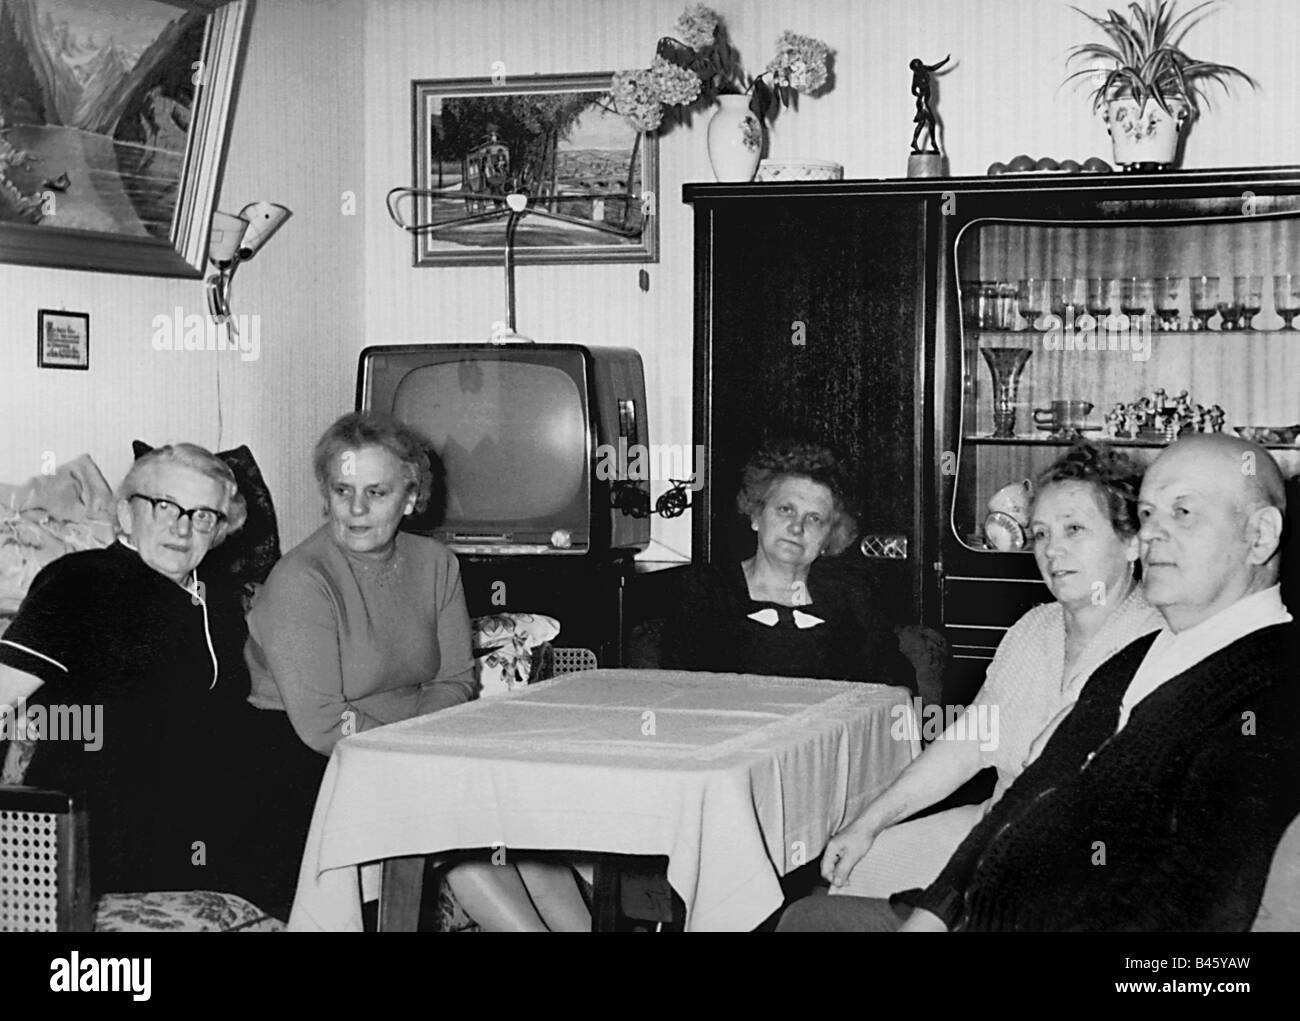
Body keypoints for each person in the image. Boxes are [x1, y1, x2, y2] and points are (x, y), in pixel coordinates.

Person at [779, 433, 1299, 931]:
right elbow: (995, 765)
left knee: (822, 908)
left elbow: (1198, 903)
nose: (1051, 551)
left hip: (1051, 885)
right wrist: (906, 870)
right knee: (824, 898)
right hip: (1009, 852)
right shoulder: (1084, 642)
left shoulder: (1223, 667)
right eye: (1042, 533)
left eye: (1182, 512)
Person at [246, 411, 590, 930]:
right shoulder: (302, 580)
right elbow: (321, 724)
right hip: (308, 764)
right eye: (343, 491)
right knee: (459, 837)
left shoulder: (435, 564)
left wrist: (422, 751)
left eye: (376, 493)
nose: (356, 510)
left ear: (409, 498)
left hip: (412, 747)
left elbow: (455, 680)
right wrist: (417, 764)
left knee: (517, 828)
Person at [820, 443, 1162, 898]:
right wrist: (866, 824)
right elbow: (966, 746)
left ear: (1133, 541)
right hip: (996, 828)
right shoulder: (1033, 629)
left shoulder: (1161, 640)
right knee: (853, 875)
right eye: (1040, 534)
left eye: (1074, 529)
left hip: (1091, 862)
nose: (1052, 551)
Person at [0, 444, 258, 900]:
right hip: (96, 836)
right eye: (165, 507)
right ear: (124, 512)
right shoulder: (80, 583)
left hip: (201, 829)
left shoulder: (217, 600)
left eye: (203, 516)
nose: (182, 528)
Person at [661, 438, 914, 689]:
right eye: (785, 509)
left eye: (814, 518)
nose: (796, 527)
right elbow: (678, 694)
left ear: (829, 538)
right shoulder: (704, 591)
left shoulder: (853, 598)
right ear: (756, 514)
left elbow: (894, 692)